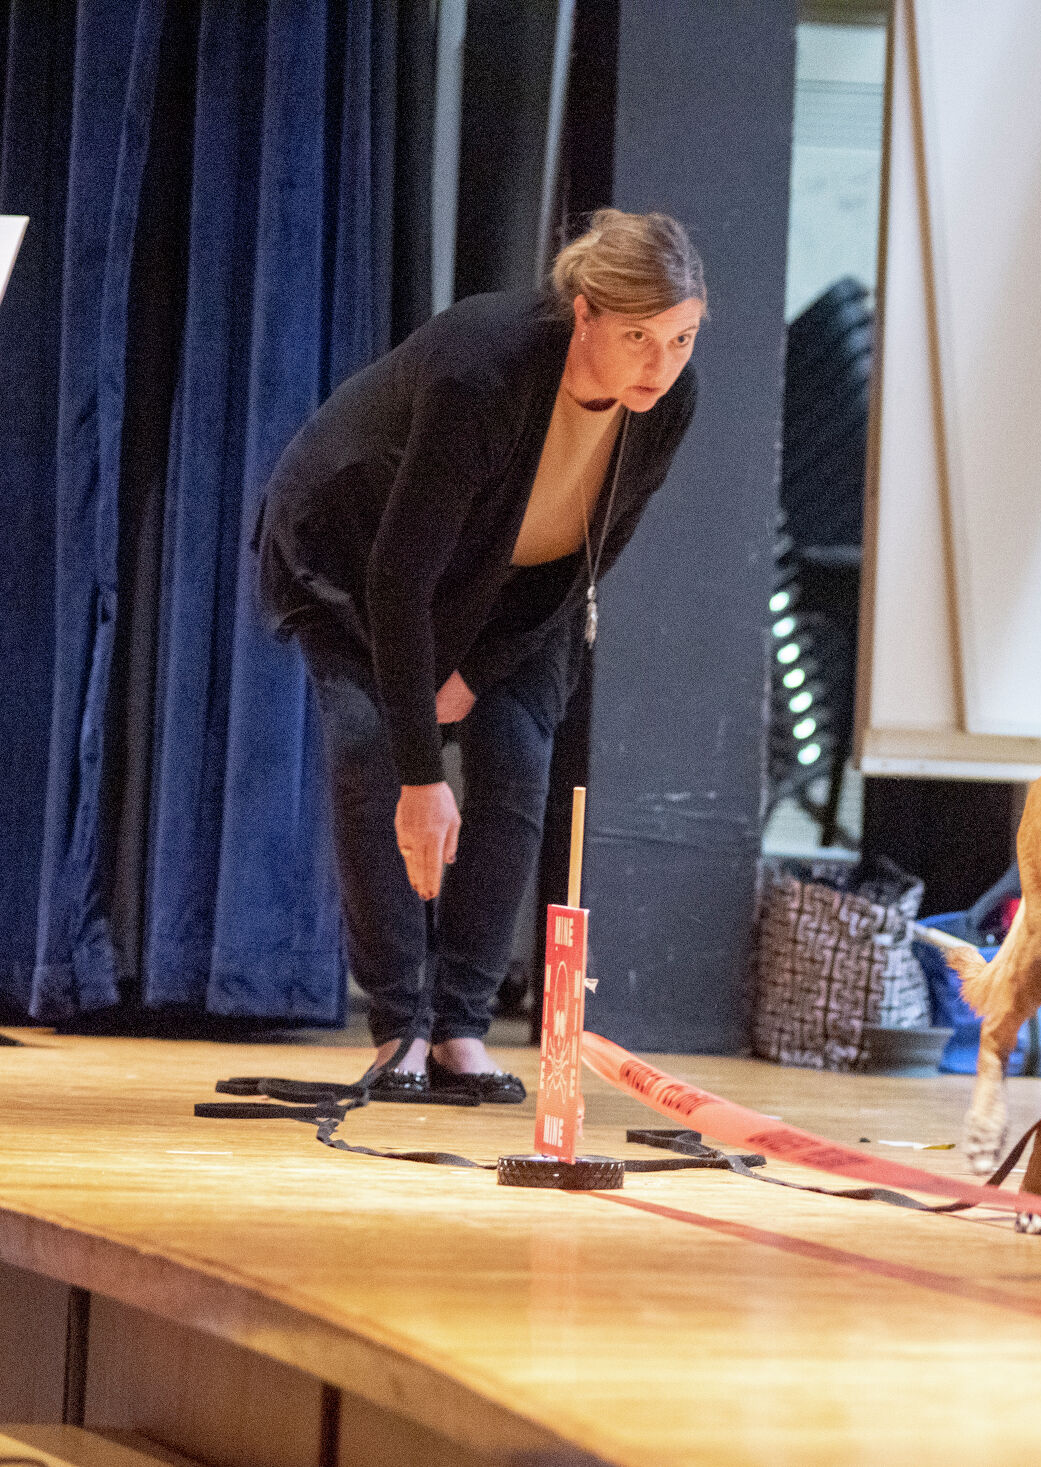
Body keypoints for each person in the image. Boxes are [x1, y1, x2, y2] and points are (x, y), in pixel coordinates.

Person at [255, 209, 705, 1099]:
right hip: (357, 556)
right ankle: (397, 1028)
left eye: (683, 337)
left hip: (516, 589)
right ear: (584, 315)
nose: (662, 365)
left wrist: (477, 671)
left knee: (516, 755)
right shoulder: (484, 372)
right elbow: (398, 578)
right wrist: (424, 775)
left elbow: (587, 558)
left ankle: (462, 1024)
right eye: (639, 338)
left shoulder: (668, 405)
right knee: (370, 752)